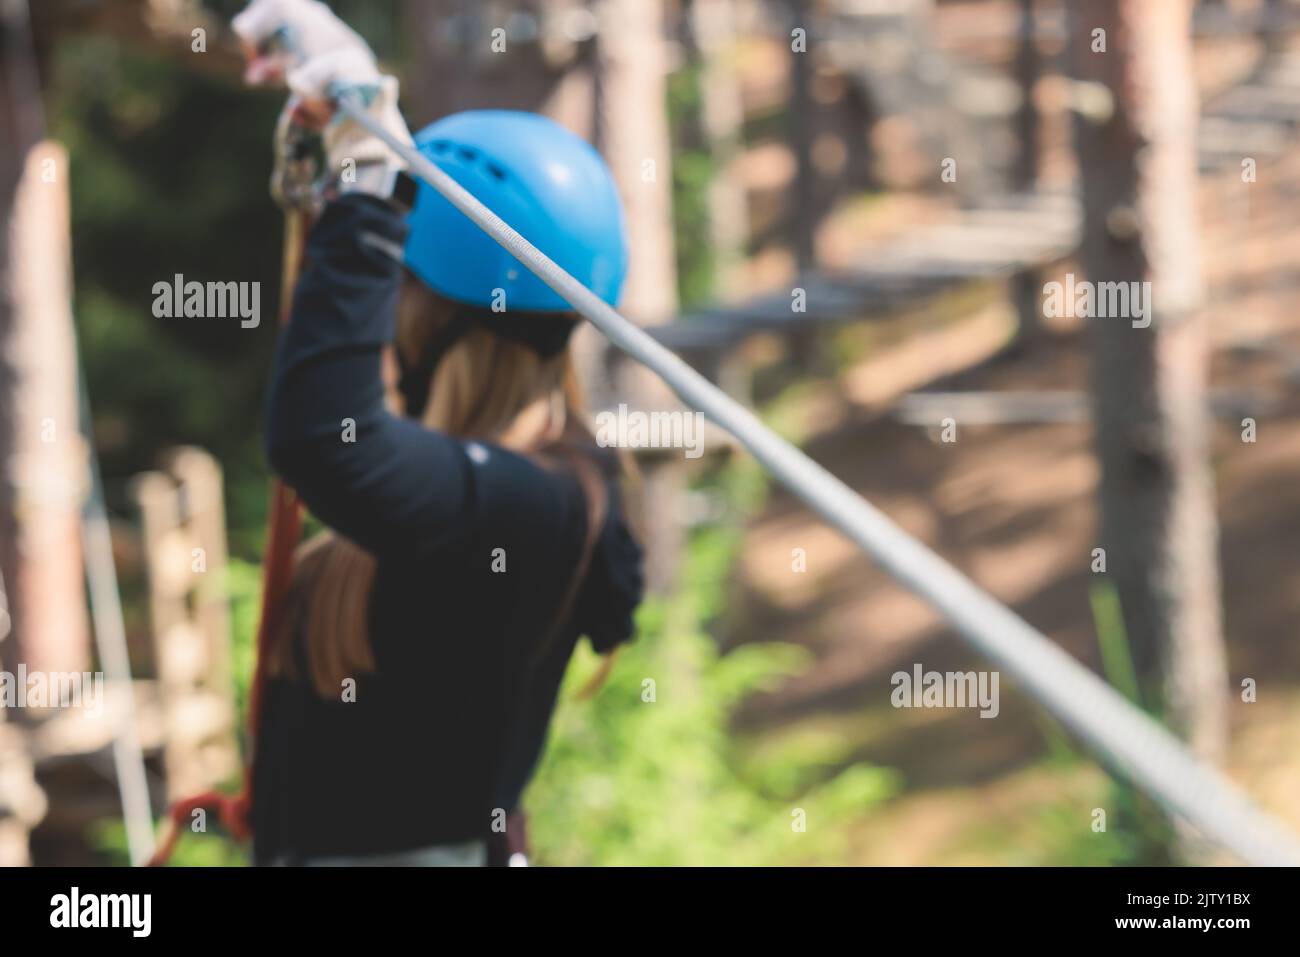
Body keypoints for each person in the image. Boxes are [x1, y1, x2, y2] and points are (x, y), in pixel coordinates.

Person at [235, 3, 645, 866]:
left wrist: (374, 180)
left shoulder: (545, 506)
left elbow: (324, 440)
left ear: (437, 316)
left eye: (400, 286)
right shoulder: (494, 493)